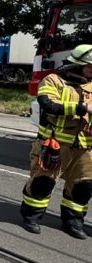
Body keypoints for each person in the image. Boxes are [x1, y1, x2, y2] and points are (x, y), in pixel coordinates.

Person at [20, 44, 92, 239]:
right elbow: (48, 104)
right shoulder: (54, 80)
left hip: (86, 148)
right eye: (90, 67)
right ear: (77, 64)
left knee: (83, 187)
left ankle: (73, 221)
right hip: (55, 145)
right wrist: (82, 108)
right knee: (43, 183)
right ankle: (31, 217)